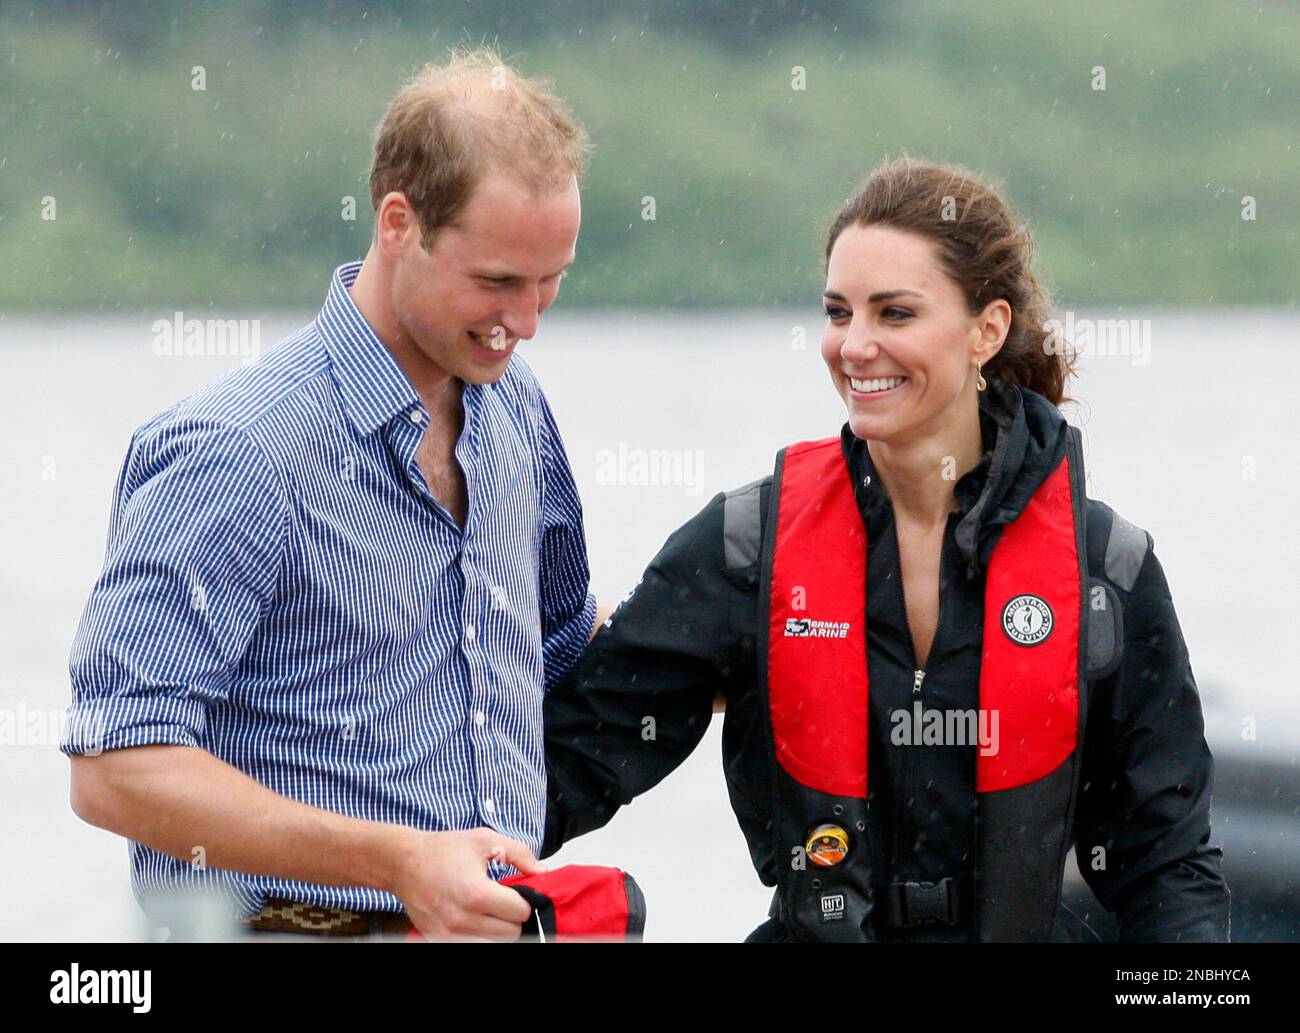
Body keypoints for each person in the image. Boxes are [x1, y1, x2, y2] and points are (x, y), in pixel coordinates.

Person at [542, 156, 1231, 942]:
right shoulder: (742, 550)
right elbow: (577, 757)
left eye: (894, 313)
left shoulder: (1109, 569)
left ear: (988, 330)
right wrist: (408, 870)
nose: (855, 346)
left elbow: (1166, 862)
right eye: (839, 313)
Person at [62, 46, 615, 942]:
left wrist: (761, 635)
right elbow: (115, 767)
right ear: (400, 222)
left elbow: (564, 651)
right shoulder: (237, 450)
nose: (527, 319)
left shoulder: (515, 404)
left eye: (552, 279)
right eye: (497, 281)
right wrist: (397, 860)